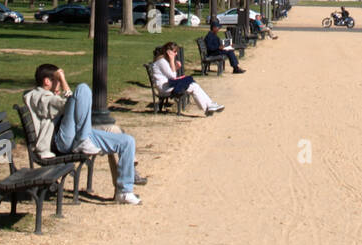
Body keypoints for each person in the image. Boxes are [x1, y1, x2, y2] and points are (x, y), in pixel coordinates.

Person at [24, 64, 145, 205]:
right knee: (82, 89)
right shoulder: (38, 96)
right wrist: (64, 83)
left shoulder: (49, 96)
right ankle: (83, 139)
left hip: (74, 135)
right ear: (47, 81)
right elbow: (66, 104)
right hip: (61, 141)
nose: (59, 83)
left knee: (127, 141)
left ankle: (124, 192)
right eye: (57, 79)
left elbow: (69, 106)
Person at [151, 43, 224, 114]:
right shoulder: (162, 61)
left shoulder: (162, 60)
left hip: (167, 85)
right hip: (164, 88)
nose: (176, 54)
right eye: (174, 52)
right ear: (168, 52)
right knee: (193, 86)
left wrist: (175, 67)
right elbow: (173, 76)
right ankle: (208, 107)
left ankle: (209, 105)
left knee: (193, 85)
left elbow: (171, 75)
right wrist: (172, 60)